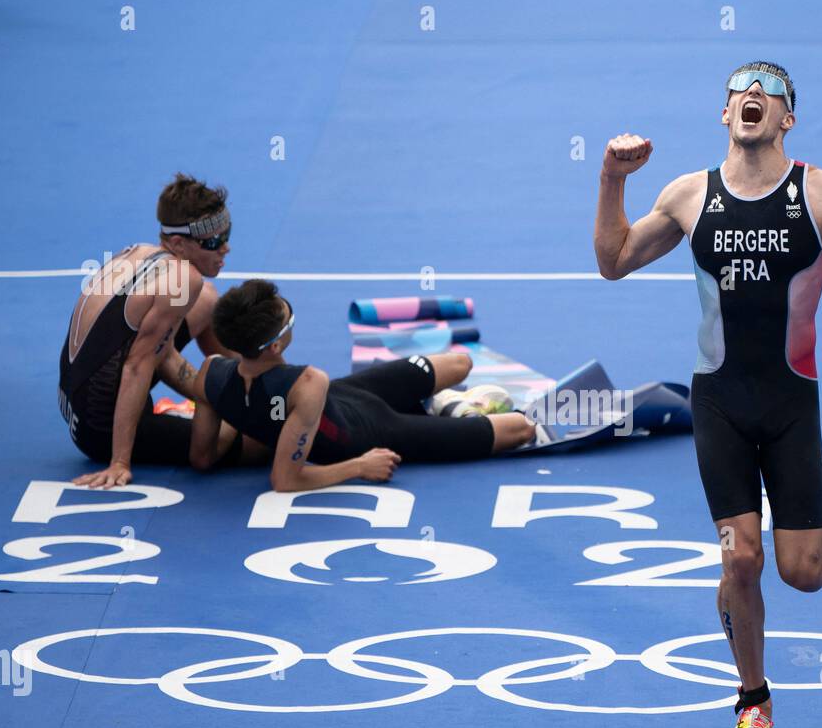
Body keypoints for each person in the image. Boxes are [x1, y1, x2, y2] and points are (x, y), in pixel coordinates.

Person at [593, 61, 822, 728]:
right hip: (718, 400)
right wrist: (611, 178)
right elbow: (615, 260)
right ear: (725, 115)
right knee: (740, 558)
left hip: (789, 405)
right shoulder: (690, 196)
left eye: (771, 92)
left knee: (799, 569)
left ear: (788, 119)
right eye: (740, 90)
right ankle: (753, 703)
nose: (753, 96)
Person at [186, 279, 537, 492]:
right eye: (288, 317)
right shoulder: (307, 383)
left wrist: (249, 416)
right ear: (275, 345)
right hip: (369, 430)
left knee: (461, 364)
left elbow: (202, 457)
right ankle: (443, 409)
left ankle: (439, 405)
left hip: (343, 394)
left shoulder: (212, 372)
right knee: (520, 428)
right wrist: (359, 466)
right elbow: (285, 480)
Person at [59, 174, 243, 488]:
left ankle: (249, 380)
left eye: (225, 235)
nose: (224, 248)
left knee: (208, 300)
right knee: (247, 438)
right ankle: (248, 397)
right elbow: (136, 365)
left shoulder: (141, 252)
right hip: (99, 430)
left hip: (76, 404)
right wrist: (119, 462)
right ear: (177, 243)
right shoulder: (184, 279)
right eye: (211, 243)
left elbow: (158, 351)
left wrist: (215, 392)